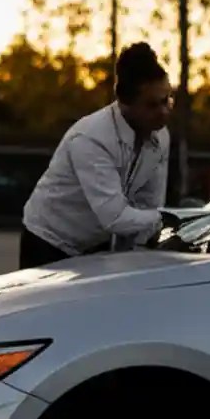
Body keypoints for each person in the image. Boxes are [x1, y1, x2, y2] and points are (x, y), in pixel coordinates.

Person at [19, 42, 173, 269]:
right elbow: (116, 217)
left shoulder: (161, 136)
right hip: (48, 241)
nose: (164, 112)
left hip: (95, 242)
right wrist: (172, 218)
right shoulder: (91, 138)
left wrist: (140, 255)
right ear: (124, 103)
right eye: (151, 105)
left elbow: (148, 207)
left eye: (167, 99)